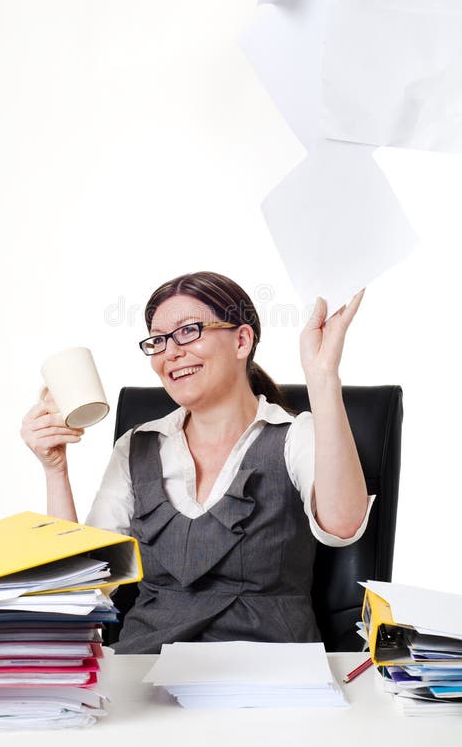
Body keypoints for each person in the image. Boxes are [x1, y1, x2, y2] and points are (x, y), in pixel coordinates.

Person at [21, 271, 373, 654]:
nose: (170, 352)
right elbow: (85, 585)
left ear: (242, 341)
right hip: (148, 671)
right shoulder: (137, 447)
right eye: (158, 341)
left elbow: (343, 523)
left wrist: (321, 377)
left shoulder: (295, 435)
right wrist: (55, 469)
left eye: (189, 331)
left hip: (270, 675)